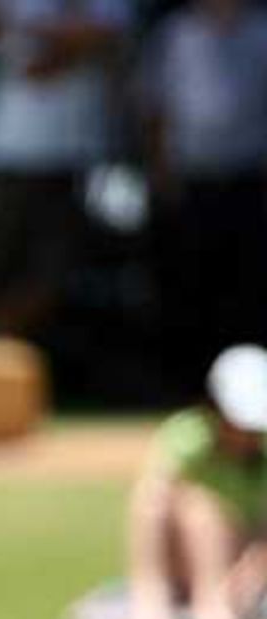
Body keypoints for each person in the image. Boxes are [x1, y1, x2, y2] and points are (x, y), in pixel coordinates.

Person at [0, 0, 132, 340]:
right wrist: (76, 44)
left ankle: (3, 346)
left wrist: (46, 36)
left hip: (73, 152)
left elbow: (108, 38)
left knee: (53, 273)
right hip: (12, 151)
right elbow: (19, 57)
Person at [137, 0, 267, 390]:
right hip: (190, 180)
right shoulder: (175, 32)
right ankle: (187, 383)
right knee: (189, 287)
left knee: (248, 290)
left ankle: (252, 389)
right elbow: (154, 106)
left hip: (249, 178)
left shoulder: (261, 30)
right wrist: (161, 174)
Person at [127, 344, 267, 619]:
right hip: (183, 554)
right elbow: (155, 491)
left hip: (239, 561)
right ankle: (151, 595)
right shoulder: (190, 435)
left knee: (203, 513)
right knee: (185, 506)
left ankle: (214, 603)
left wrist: (254, 572)